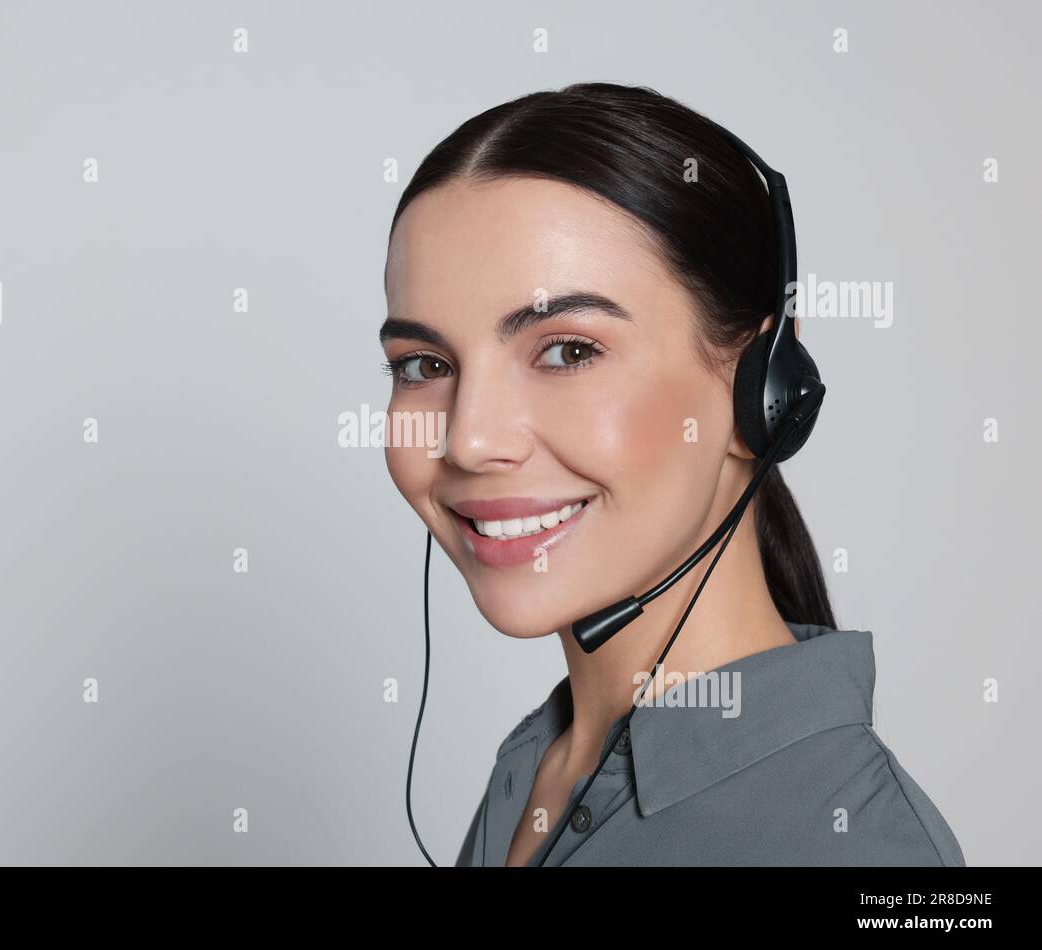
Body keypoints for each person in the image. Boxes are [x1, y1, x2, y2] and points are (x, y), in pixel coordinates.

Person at [379, 82, 964, 866]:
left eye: (568, 350)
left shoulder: (864, 853)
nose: (471, 438)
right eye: (426, 363)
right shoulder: (540, 769)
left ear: (764, 389)